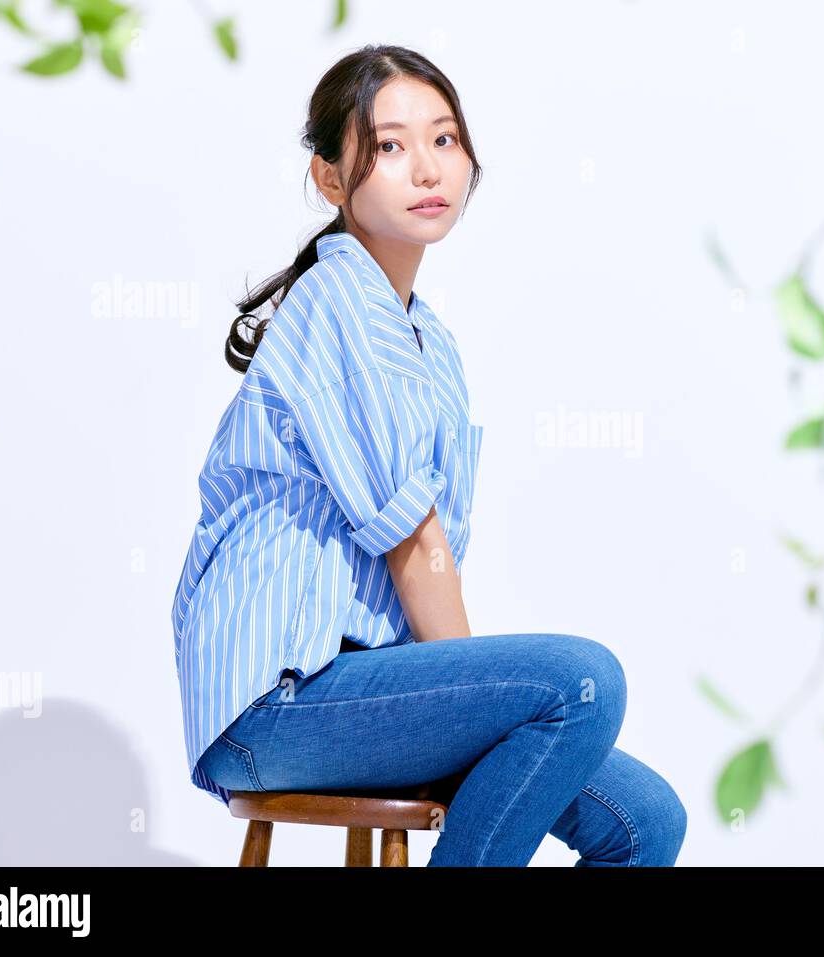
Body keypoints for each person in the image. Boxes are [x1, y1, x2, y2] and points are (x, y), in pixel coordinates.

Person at [170, 44, 686, 866]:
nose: (426, 168)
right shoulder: (338, 300)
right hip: (276, 702)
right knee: (583, 682)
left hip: (364, 690)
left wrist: (467, 704)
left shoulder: (428, 338)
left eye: (444, 140)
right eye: (390, 146)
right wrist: (474, 701)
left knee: (646, 819)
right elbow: (417, 541)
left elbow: (429, 555)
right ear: (331, 181)